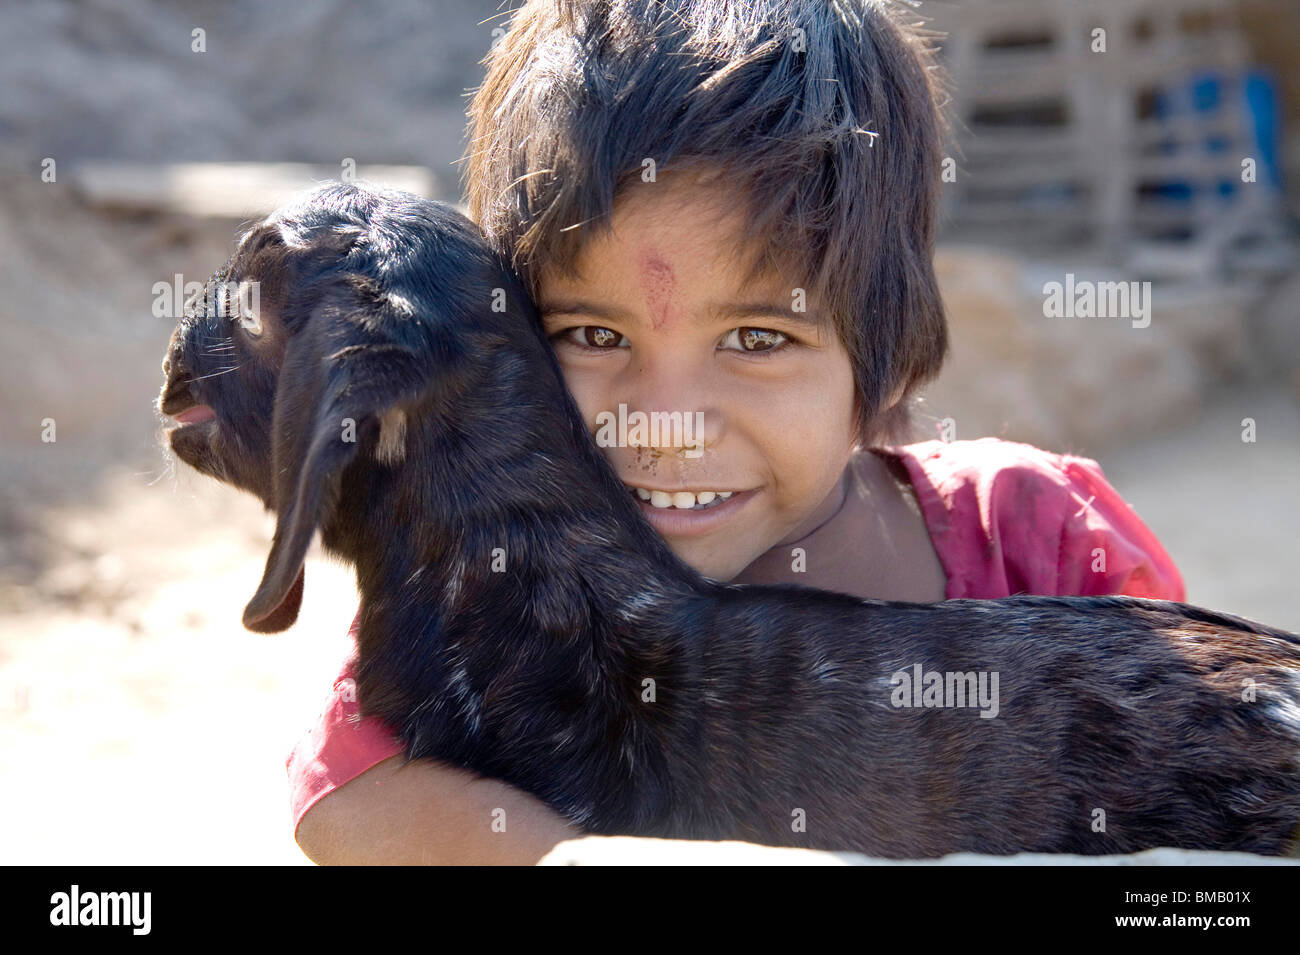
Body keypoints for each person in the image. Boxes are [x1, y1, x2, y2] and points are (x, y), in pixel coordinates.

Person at [288, 0, 1185, 865]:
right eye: (592, 336)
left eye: (759, 338)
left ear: (888, 352)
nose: (665, 423)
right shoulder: (481, 578)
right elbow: (352, 799)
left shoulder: (1035, 541)